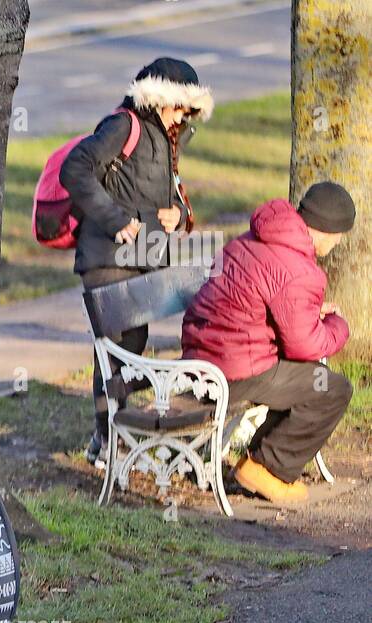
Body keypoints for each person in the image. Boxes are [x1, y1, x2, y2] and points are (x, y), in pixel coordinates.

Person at [60, 57, 214, 465]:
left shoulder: (166, 138)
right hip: (108, 256)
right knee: (114, 355)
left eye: (188, 110)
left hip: (140, 258)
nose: (182, 116)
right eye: (178, 107)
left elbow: (169, 195)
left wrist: (179, 216)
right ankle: (108, 442)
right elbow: (74, 168)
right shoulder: (124, 126)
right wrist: (117, 220)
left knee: (131, 348)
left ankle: (110, 438)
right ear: (159, 99)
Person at [182, 182, 356, 504]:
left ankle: (260, 460)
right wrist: (338, 326)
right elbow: (305, 346)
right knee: (331, 389)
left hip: (204, 356)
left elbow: (258, 302)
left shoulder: (252, 239)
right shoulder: (300, 270)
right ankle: (266, 469)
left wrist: (307, 313)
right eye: (341, 235)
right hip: (234, 372)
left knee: (305, 377)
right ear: (329, 231)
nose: (339, 243)